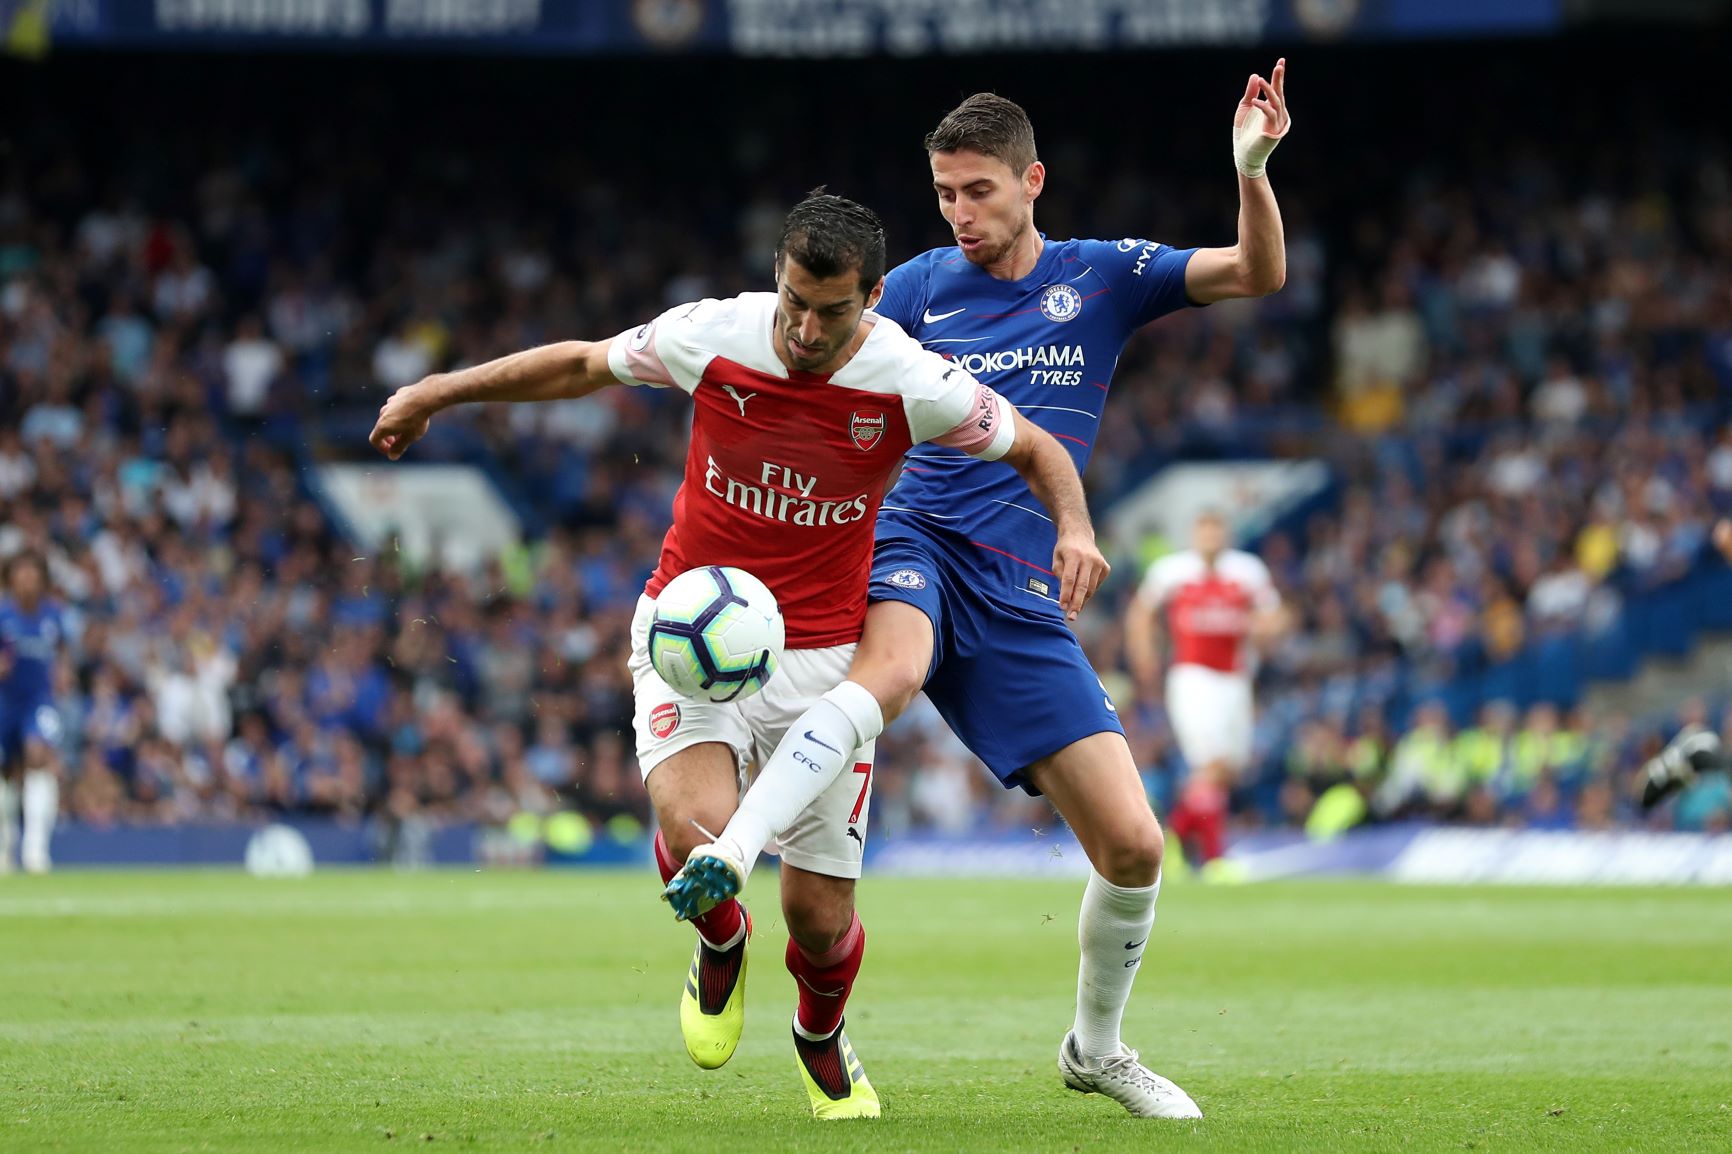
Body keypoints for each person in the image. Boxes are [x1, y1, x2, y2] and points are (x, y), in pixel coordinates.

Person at [369, 191, 1107, 1120]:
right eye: (794, 300)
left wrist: (1073, 528)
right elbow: (582, 367)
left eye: (831, 310)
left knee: (821, 921)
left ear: (873, 297)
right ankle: (720, 941)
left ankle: (819, 1036)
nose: (804, 327)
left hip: (823, 663)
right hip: (689, 635)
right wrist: (437, 392)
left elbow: (1037, 448)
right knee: (697, 836)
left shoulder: (911, 380)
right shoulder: (714, 334)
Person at [666, 66, 1292, 1119]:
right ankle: (730, 857)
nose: (958, 213)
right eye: (945, 192)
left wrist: (1252, 169)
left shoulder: (1103, 275)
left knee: (1136, 844)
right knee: (895, 671)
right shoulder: (906, 286)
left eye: (978, 192)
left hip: (1015, 589)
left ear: (1031, 181)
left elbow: (1257, 273)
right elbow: (803, 363)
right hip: (906, 535)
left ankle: (1094, 1047)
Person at [1125, 509, 1288, 864]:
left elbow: (1276, 616)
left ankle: (1175, 841)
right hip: (1193, 677)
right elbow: (1140, 612)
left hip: (1236, 678)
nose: (1211, 539)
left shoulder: (1246, 571)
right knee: (1209, 764)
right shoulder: (1172, 571)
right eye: (1205, 532)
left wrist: (1264, 630)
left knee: (1228, 769)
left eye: (1217, 531)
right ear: (1195, 535)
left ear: (1226, 534)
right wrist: (1145, 656)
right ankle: (1213, 857)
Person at [0, 551, 67, 874]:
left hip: (39, 701)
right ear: (11, 577)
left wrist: (63, 674)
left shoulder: (53, 615)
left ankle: (36, 849)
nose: (27, 579)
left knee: (38, 756)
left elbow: (62, 653)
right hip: (4, 702)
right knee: (6, 772)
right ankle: (5, 845)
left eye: (33, 573)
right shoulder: (2, 615)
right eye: (21, 573)